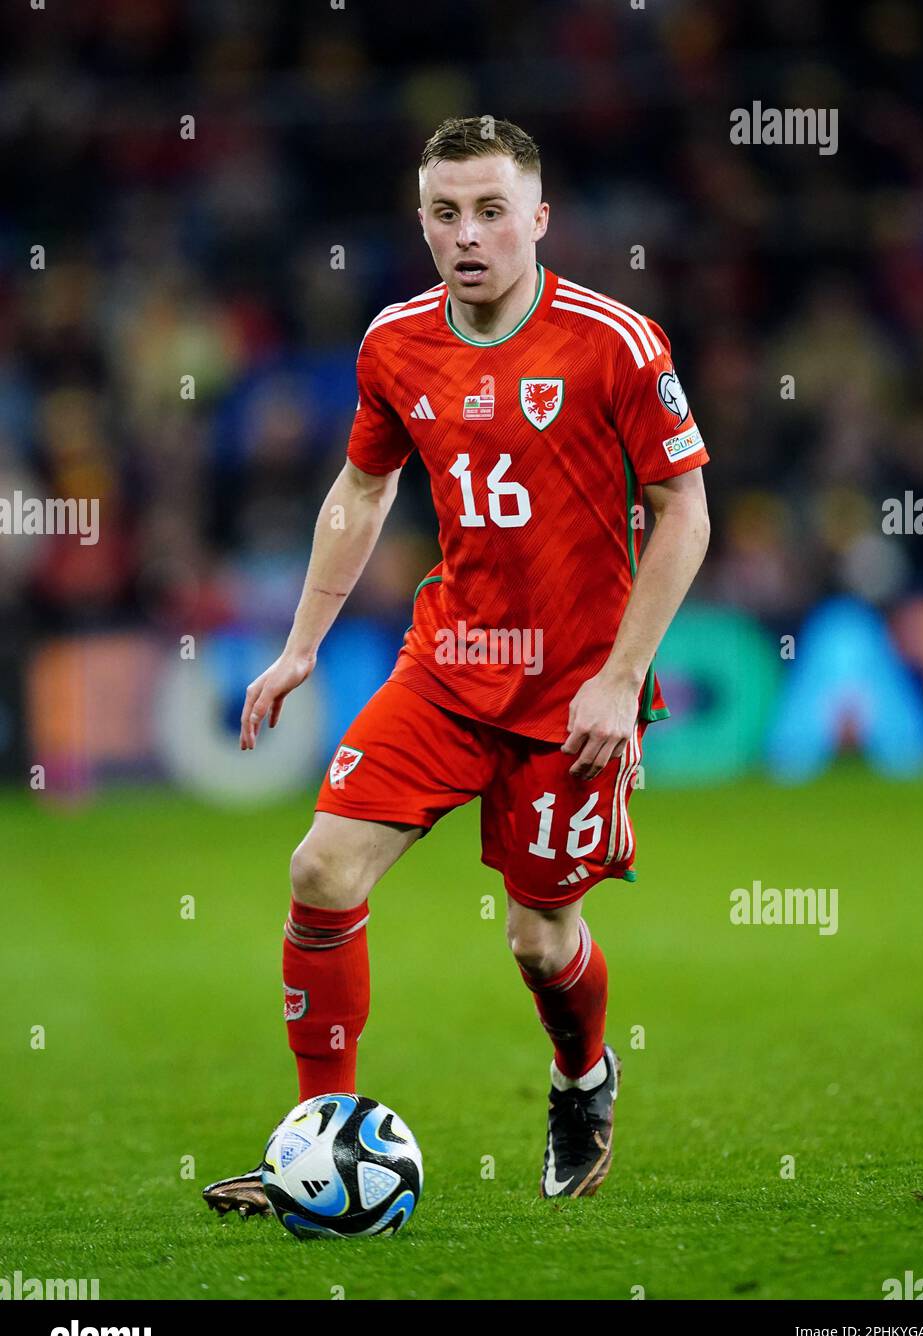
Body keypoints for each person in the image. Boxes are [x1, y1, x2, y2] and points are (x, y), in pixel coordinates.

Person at [202, 115, 710, 1216]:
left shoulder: (615, 342)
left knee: (538, 937)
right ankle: (314, 1139)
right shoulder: (393, 341)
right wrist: (301, 644)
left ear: (539, 218)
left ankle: (581, 1076)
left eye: (490, 211)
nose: (467, 234)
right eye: (444, 213)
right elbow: (362, 487)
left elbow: (684, 512)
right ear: (422, 221)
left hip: (573, 693)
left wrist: (621, 677)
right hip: (447, 663)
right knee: (320, 872)